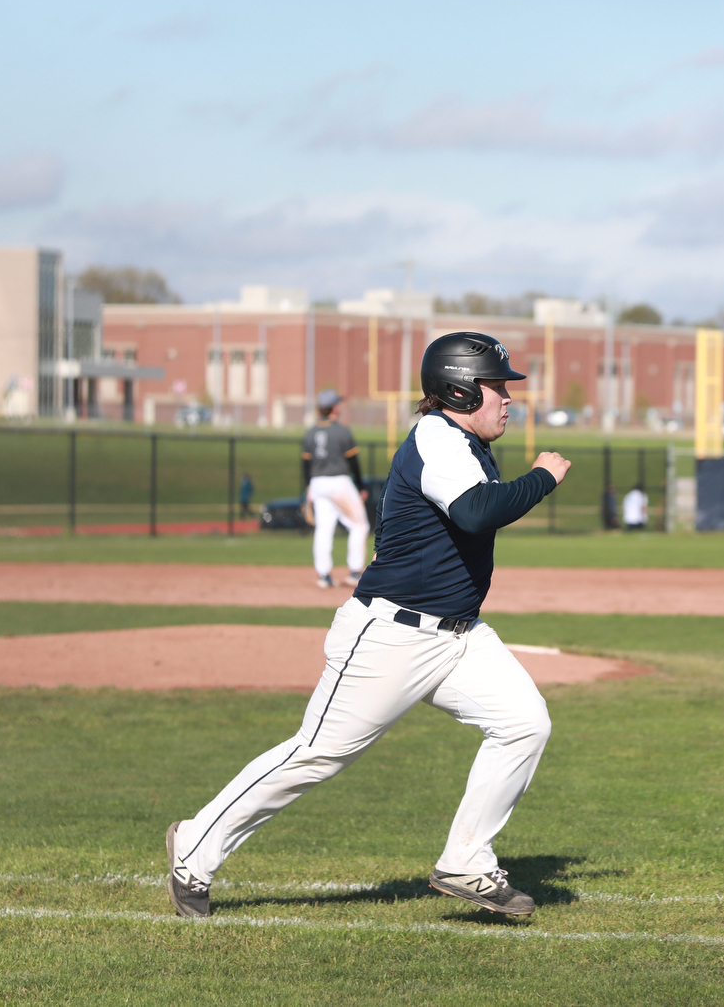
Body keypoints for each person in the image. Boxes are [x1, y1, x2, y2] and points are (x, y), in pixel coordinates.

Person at [166, 332, 571, 918]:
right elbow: (478, 513)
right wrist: (542, 477)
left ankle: (466, 861)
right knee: (316, 755)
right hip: (391, 636)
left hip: (459, 636)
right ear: (459, 389)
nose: (509, 398)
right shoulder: (436, 438)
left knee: (524, 723)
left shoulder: (465, 440)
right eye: (497, 386)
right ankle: (194, 847)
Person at [300, 389, 369, 589]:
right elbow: (353, 462)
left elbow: (305, 465)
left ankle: (323, 575)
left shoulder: (310, 433)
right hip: (338, 481)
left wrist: (308, 488)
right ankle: (355, 572)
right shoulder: (342, 431)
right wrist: (361, 486)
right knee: (359, 524)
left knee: (323, 528)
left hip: (317, 483)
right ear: (334, 407)